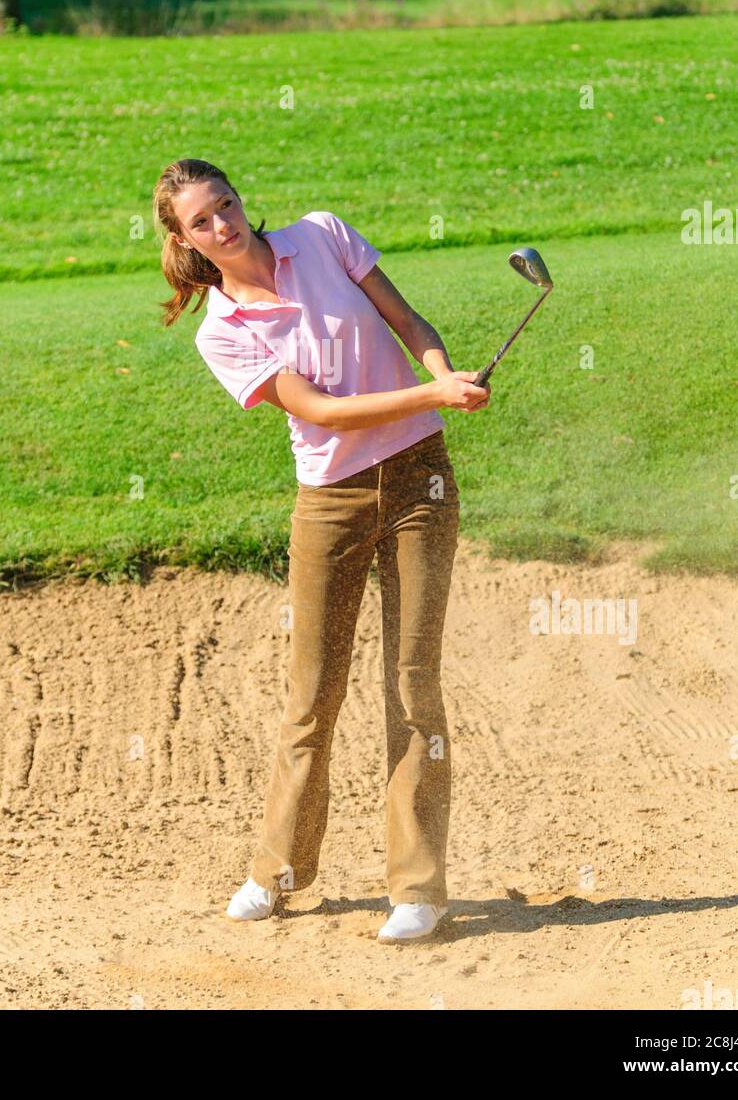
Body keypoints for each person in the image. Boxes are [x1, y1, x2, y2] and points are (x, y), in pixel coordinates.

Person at [154, 158, 490, 943]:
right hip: (330, 500)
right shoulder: (221, 330)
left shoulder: (324, 236)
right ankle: (277, 871)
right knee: (313, 695)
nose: (223, 225)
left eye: (226, 205)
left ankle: (419, 888)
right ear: (183, 238)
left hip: (420, 483)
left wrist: (446, 375)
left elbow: (411, 325)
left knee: (414, 685)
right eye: (201, 220)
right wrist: (431, 393)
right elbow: (325, 413)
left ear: (242, 201)